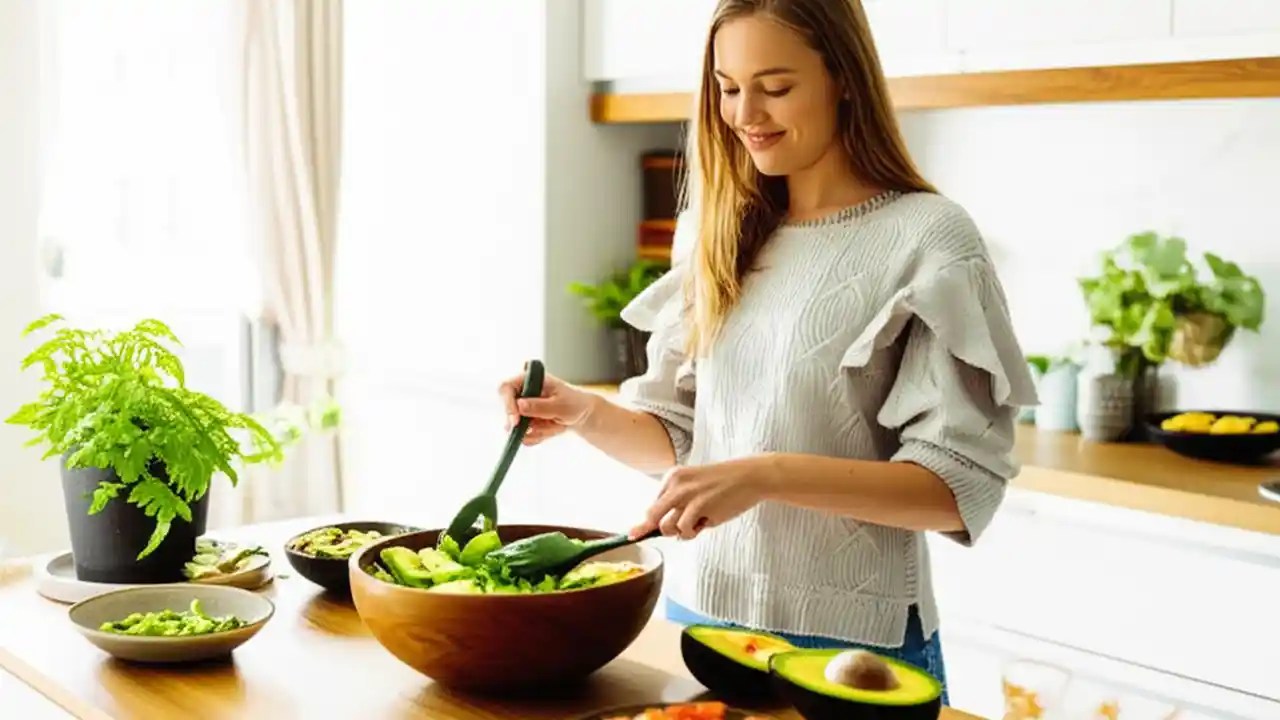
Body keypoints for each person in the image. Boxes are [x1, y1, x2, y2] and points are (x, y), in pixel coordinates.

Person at [498, 0, 1037, 702]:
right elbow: (687, 441)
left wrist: (764, 475)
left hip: (854, 645)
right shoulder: (714, 228)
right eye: (726, 87)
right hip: (704, 623)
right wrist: (581, 413)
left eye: (775, 87)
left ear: (843, 76)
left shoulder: (929, 239)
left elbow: (958, 488)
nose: (744, 112)